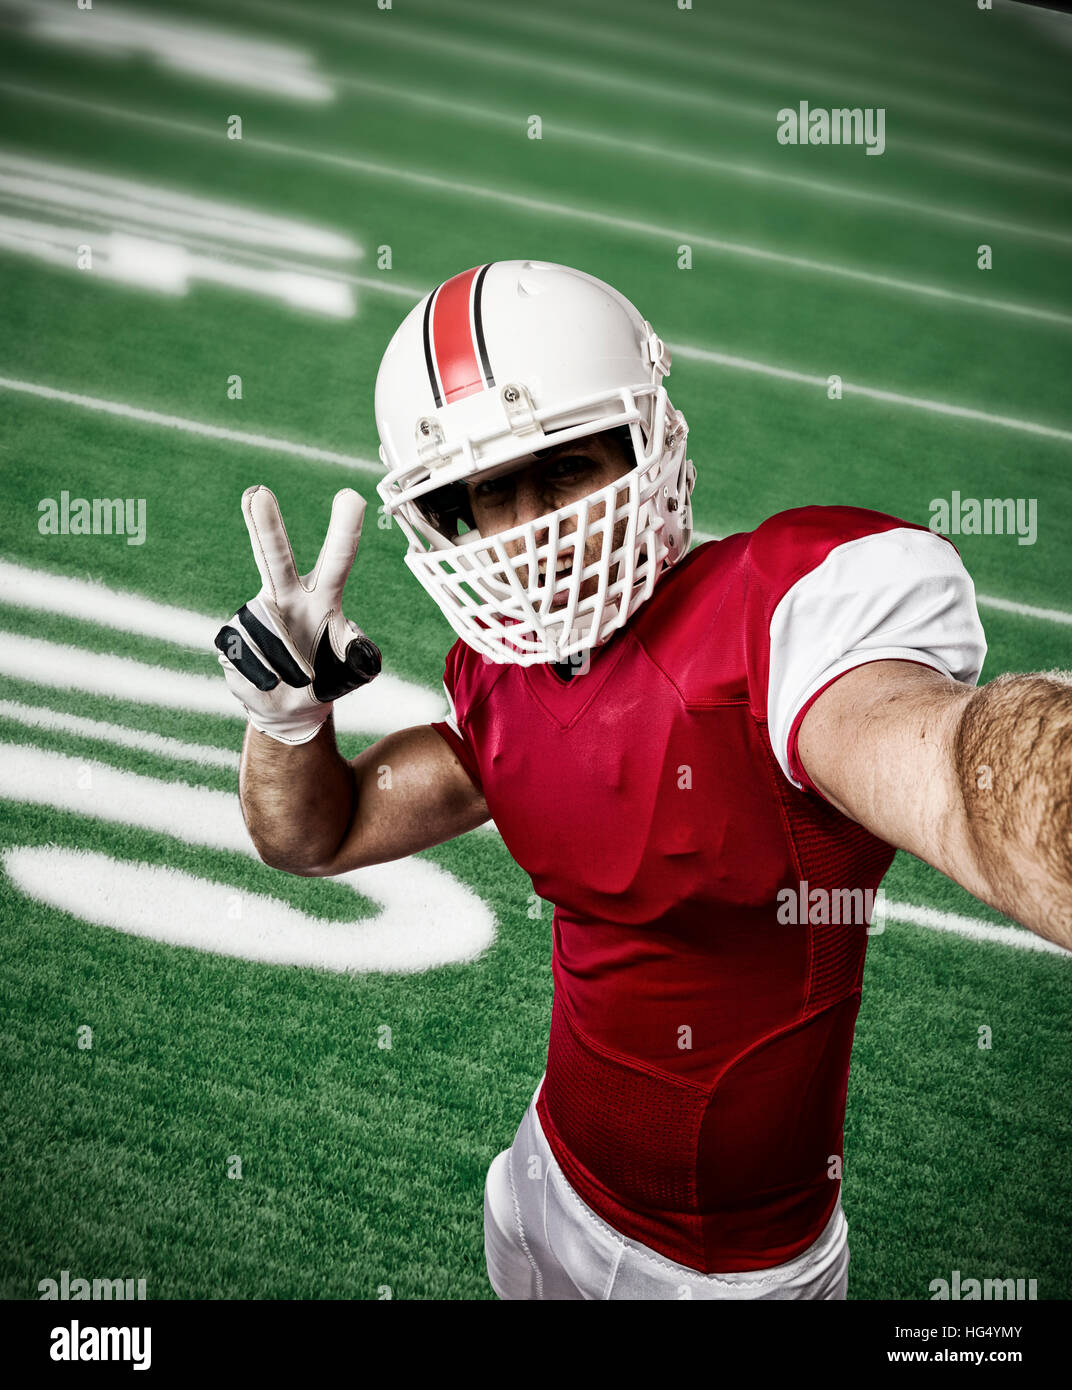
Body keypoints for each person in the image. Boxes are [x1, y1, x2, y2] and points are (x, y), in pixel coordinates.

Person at [215, 260, 1071, 1300]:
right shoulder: (498, 673)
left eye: (564, 469)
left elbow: (964, 780)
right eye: (489, 493)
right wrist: (287, 719)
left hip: (727, 1274)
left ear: (649, 442)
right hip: (544, 1172)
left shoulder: (778, 628)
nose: (534, 534)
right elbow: (318, 833)